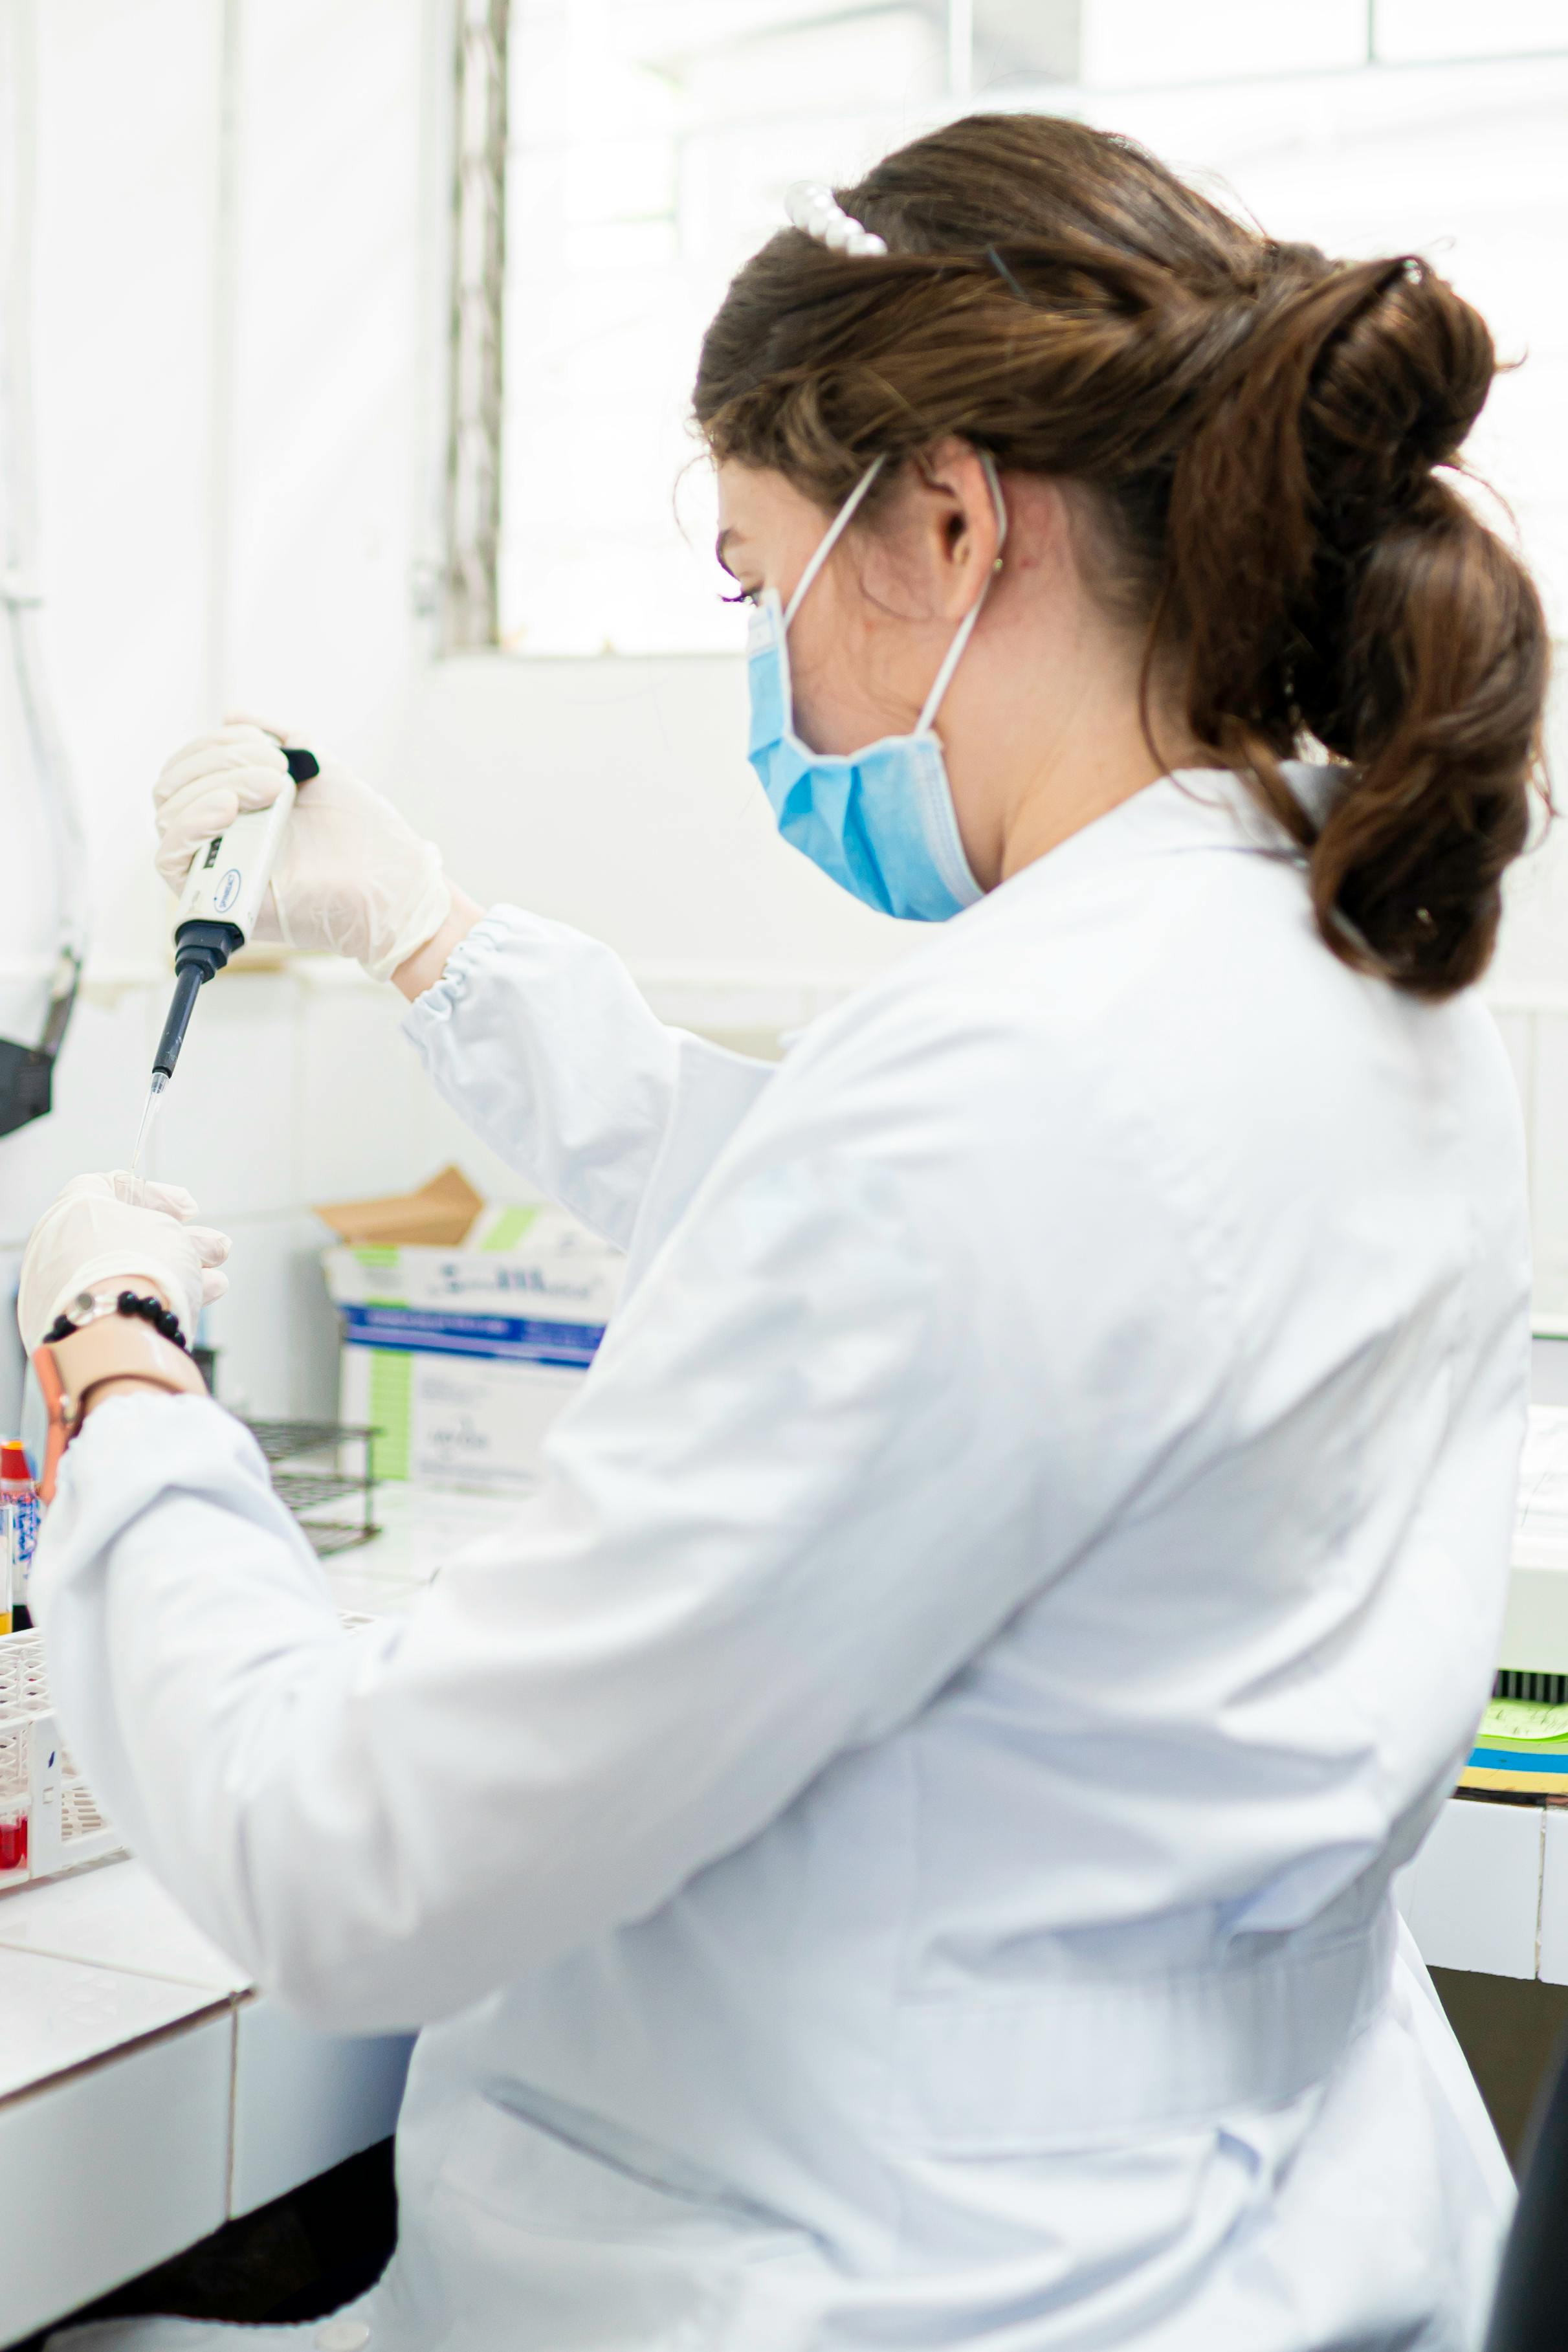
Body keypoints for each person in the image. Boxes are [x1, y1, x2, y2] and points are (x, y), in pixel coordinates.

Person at [23, 113, 1548, 2352]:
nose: (771, 679)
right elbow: (881, 1257)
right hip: (1238, 2256)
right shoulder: (1344, 980)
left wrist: (125, 1388)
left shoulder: (1018, 1091)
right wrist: (436, 939)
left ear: (943, 517)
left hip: (858, 2286)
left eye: (753, 580)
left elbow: (348, 1865)